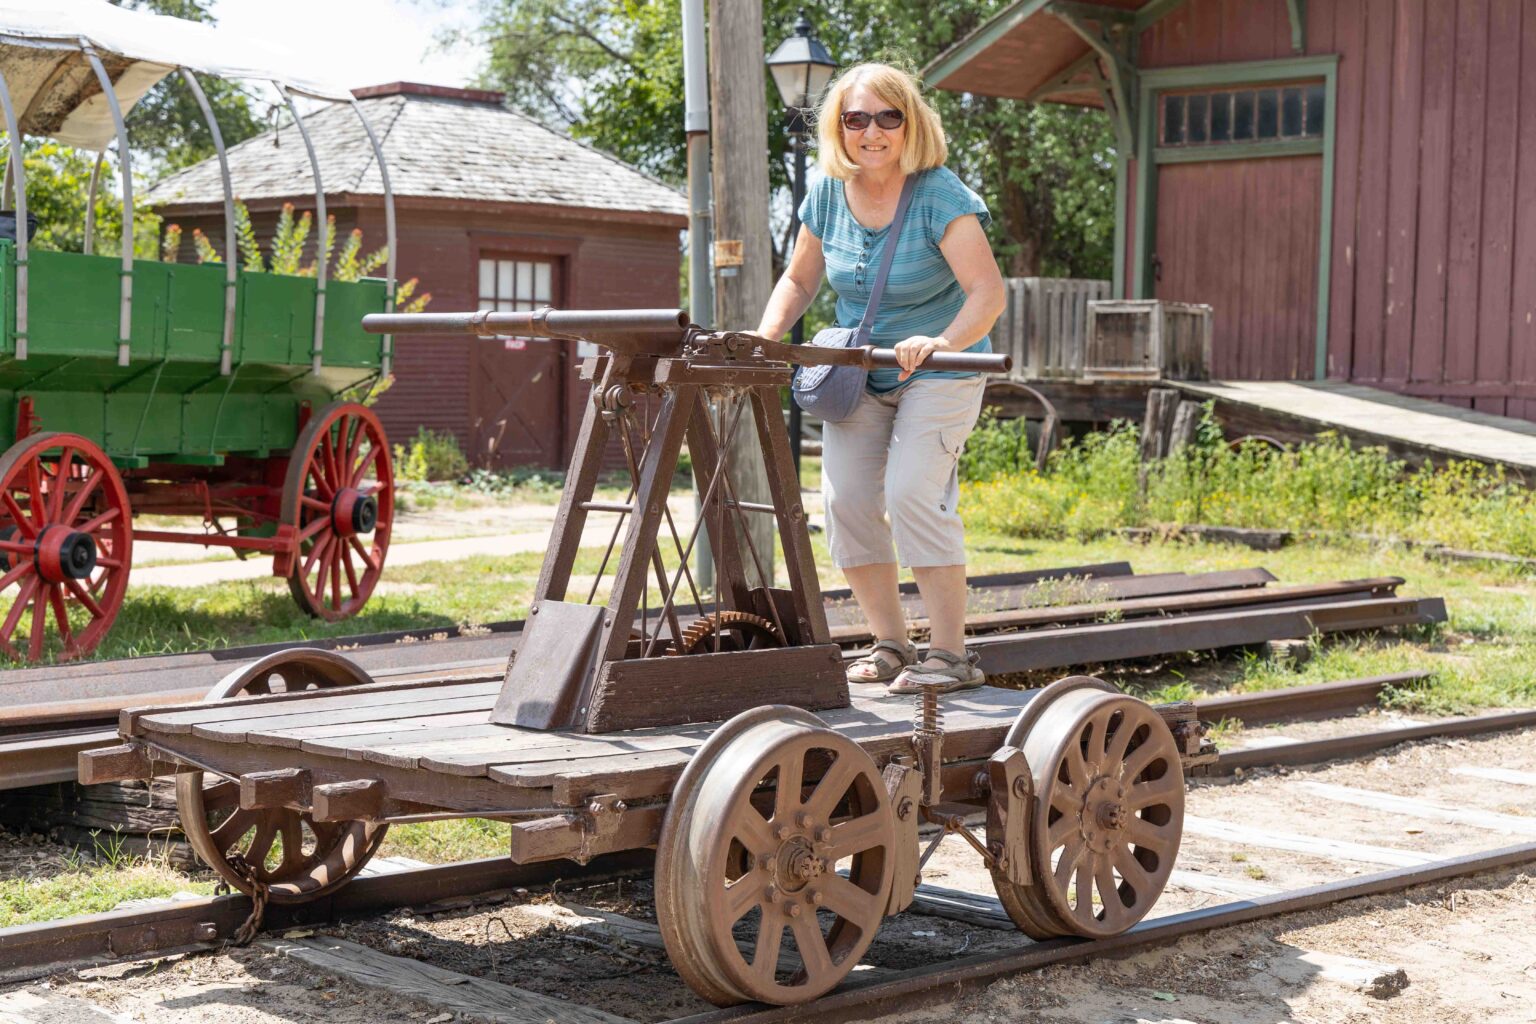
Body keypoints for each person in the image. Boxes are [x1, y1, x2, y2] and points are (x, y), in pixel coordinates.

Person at [754, 62, 1006, 694]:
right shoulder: (827, 193)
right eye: (856, 118)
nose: (872, 131)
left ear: (909, 124)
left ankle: (950, 655)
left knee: (911, 491)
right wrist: (765, 340)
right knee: (846, 502)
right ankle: (891, 644)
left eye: (887, 118)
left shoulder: (939, 193)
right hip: (859, 371)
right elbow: (800, 279)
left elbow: (988, 293)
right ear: (838, 128)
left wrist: (941, 341)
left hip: (941, 366)